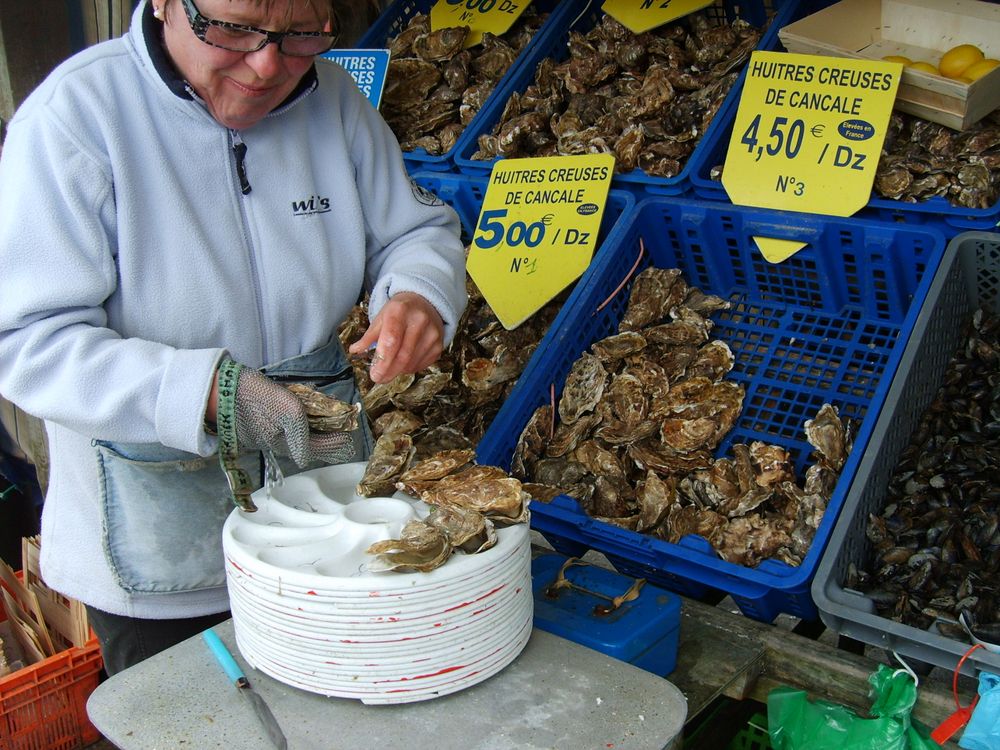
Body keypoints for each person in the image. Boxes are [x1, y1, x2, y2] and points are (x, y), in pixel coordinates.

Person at [0, 0, 467, 675]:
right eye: (233, 29)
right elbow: (26, 339)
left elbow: (416, 231)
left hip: (327, 523)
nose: (267, 63)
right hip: (162, 555)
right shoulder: (77, 118)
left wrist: (419, 294)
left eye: (301, 33)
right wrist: (206, 394)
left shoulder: (332, 99)